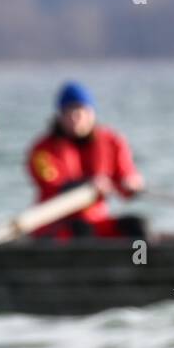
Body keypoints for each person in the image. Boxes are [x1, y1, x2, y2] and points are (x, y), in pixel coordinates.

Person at [26, 81, 146, 239]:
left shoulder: (112, 142)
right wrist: (89, 185)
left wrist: (132, 183)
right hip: (57, 226)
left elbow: (125, 176)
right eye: (70, 112)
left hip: (97, 221)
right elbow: (52, 187)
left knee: (139, 226)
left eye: (81, 111)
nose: (76, 118)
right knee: (82, 231)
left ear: (92, 113)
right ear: (60, 115)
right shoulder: (42, 150)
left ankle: (142, 262)